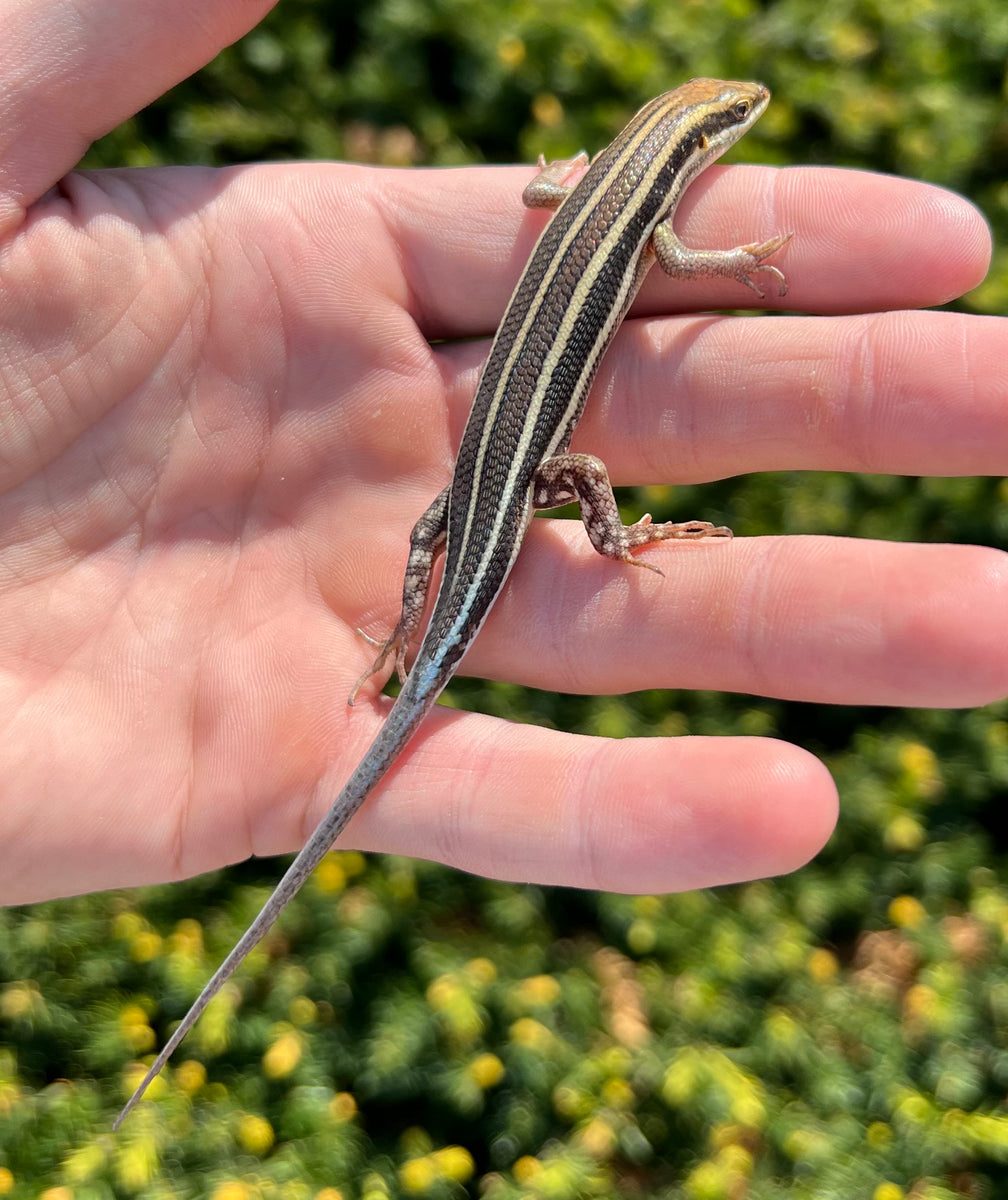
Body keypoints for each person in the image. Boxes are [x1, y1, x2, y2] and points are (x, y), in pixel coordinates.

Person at [2, 0, 1006, 909]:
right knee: (586, 479)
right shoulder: (650, 208)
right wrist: (740, 263)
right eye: (730, 120)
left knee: (436, 536)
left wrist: (555, 179)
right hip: (523, 464)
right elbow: (678, 260)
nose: (740, 124)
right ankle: (606, 549)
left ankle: (410, 639)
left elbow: (538, 202)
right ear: (693, 149)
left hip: (481, 464)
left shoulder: (585, 194)